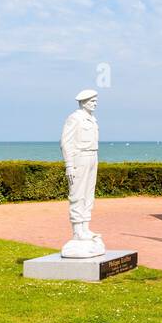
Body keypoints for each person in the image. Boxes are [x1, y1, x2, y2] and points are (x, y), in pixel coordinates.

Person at [61, 89, 103, 253]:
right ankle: (77, 230)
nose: (95, 103)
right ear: (84, 102)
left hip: (93, 157)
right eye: (92, 101)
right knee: (77, 194)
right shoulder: (75, 118)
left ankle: (85, 227)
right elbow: (66, 142)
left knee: (88, 194)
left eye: (95, 100)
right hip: (80, 158)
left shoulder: (92, 119)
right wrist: (69, 165)